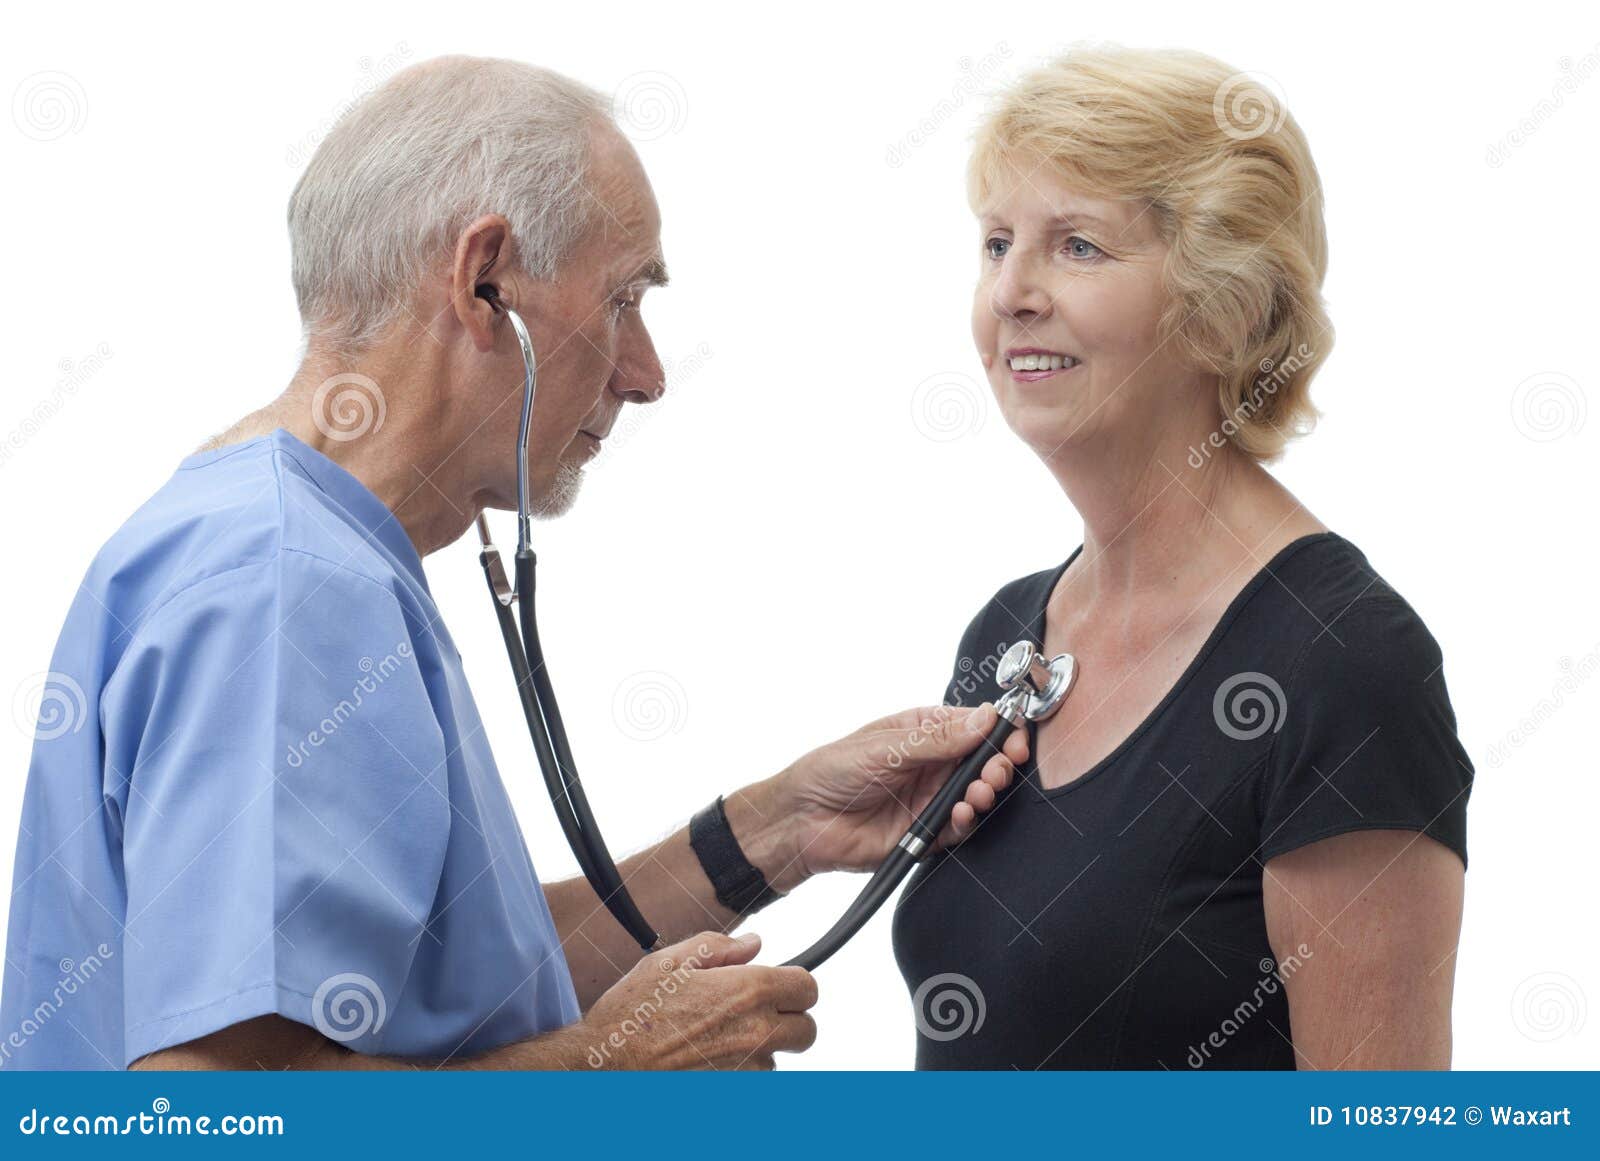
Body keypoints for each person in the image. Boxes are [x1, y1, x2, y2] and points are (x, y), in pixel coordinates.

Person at [0, 56, 1028, 1071]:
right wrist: (611, 1077)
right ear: (483, 280)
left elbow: (455, 1000)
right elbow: (214, 1114)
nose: (649, 373)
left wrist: (785, 826)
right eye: (624, 298)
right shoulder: (286, 584)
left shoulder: (275, 539)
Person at [891, 45, 1473, 1069]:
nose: (1013, 292)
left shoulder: (1342, 662)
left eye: (1076, 246)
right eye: (994, 243)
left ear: (1226, 307)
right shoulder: (1006, 634)